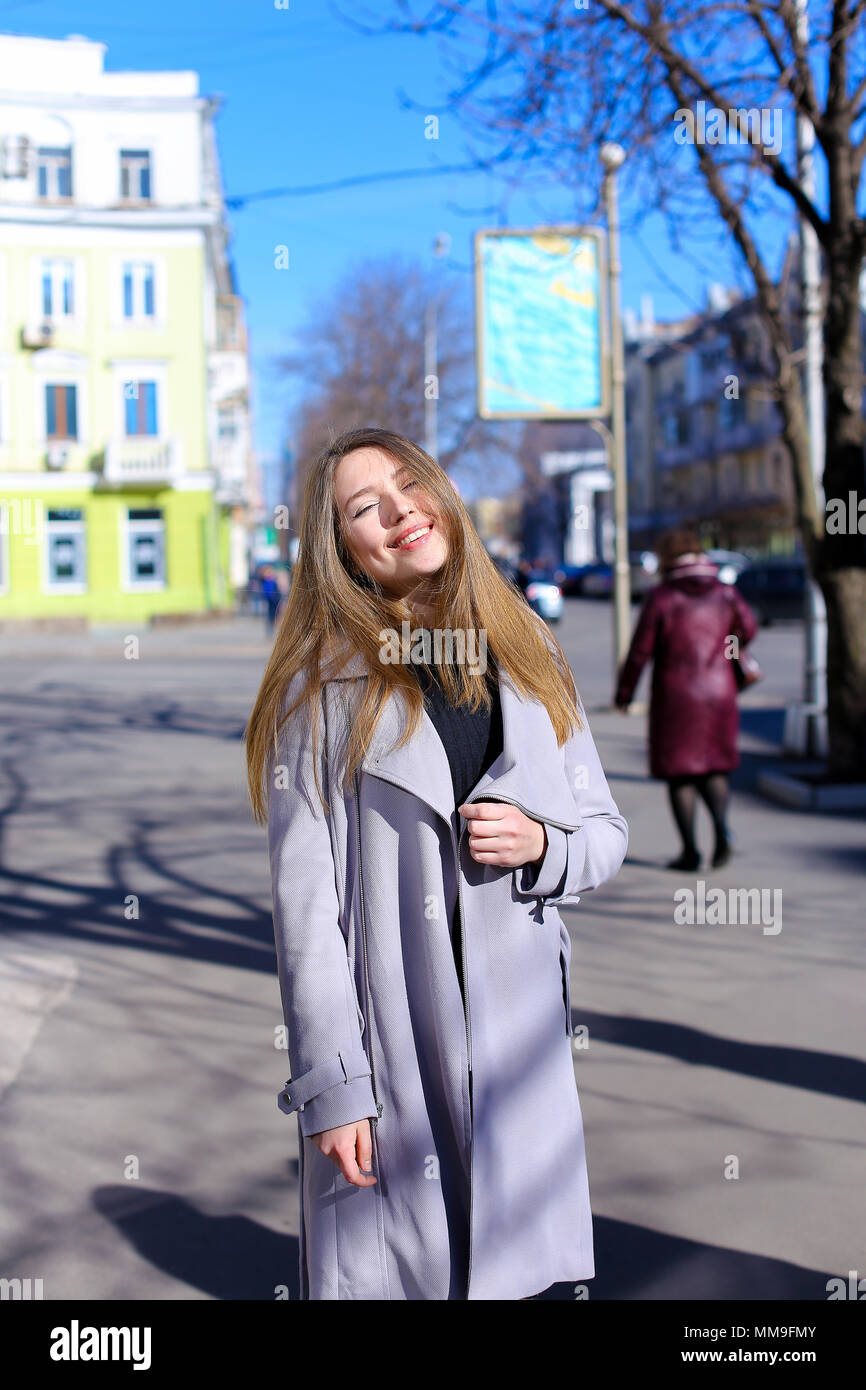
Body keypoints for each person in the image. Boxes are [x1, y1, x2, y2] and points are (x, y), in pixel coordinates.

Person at [245, 426, 628, 1301]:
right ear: (342, 548)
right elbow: (305, 910)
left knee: (517, 1279)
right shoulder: (320, 687)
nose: (399, 511)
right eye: (362, 507)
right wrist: (334, 1087)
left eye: (408, 483)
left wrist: (545, 846)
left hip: (518, 1051)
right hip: (395, 1053)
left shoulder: (527, 646)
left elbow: (604, 830)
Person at [614, 528, 758, 870]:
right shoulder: (725, 591)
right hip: (720, 690)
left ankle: (690, 852)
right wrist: (727, 652)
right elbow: (748, 629)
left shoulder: (662, 596)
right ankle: (722, 830)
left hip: (676, 694)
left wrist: (624, 695)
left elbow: (639, 652)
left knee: (680, 774)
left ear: (666, 558)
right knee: (715, 766)